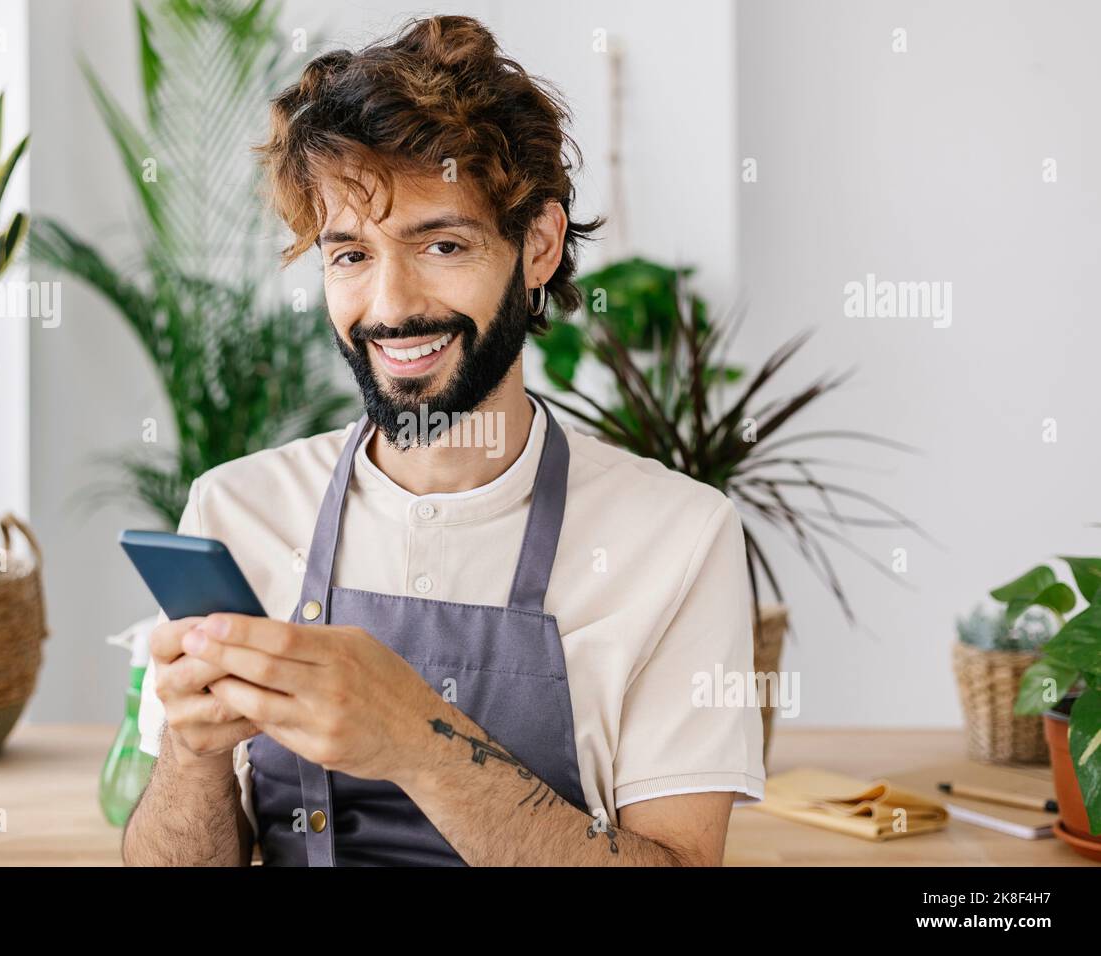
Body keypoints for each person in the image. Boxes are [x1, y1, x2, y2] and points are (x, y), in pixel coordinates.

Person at [123, 14, 764, 867]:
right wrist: (190, 752)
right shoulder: (234, 507)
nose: (391, 306)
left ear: (537, 244)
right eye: (349, 255)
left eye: (442, 243)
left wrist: (419, 740)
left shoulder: (679, 538)